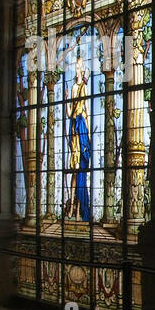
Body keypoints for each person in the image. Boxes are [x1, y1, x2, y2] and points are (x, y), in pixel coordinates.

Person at [66, 51, 92, 222]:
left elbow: (87, 111)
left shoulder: (84, 87)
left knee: (80, 169)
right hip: (74, 128)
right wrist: (67, 99)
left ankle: (77, 210)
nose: (78, 69)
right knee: (74, 171)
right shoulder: (74, 88)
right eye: (76, 66)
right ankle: (73, 207)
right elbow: (70, 113)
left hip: (82, 129)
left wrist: (87, 136)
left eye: (81, 66)